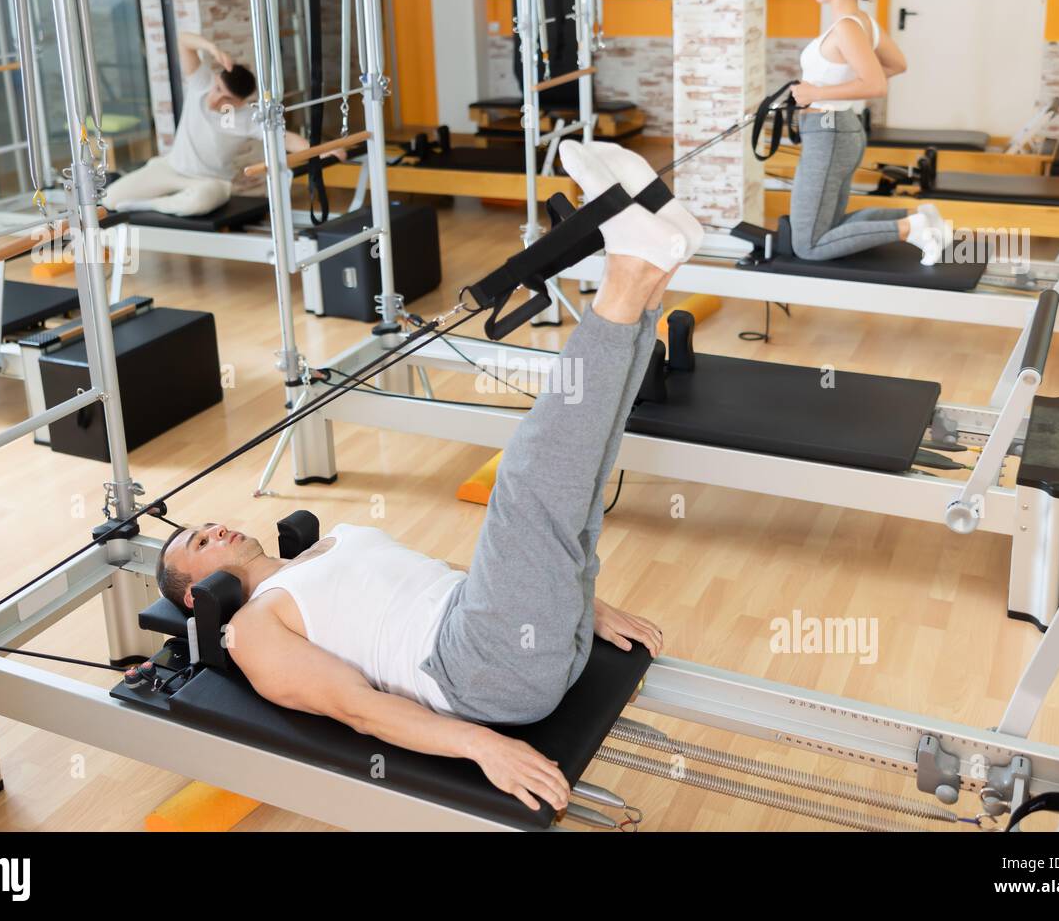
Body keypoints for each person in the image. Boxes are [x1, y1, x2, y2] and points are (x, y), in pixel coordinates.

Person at [154, 140, 703, 812]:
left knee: (584, 467)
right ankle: (628, 264)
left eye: (205, 523)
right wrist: (483, 745)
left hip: (514, 633)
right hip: (482, 670)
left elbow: (442, 576)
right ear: (196, 594)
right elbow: (359, 709)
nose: (214, 529)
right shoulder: (254, 630)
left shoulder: (327, 544)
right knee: (528, 479)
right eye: (199, 543)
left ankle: (652, 273)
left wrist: (573, 607)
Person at [789, 0, 947, 264]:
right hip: (838, 131)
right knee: (828, 226)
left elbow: (875, 84)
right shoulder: (863, 22)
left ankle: (911, 227)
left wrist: (815, 94)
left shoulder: (847, 27)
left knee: (808, 245)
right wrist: (844, 84)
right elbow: (897, 65)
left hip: (829, 133)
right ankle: (920, 216)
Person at [105, 32, 320, 217]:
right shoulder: (202, 83)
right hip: (169, 168)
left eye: (227, 99)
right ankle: (167, 198)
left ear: (241, 102)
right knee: (110, 199)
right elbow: (183, 40)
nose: (216, 100)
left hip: (210, 182)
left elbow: (286, 138)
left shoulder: (247, 117)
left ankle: (149, 205)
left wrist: (320, 152)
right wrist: (213, 49)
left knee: (199, 201)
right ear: (215, 80)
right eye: (218, 89)